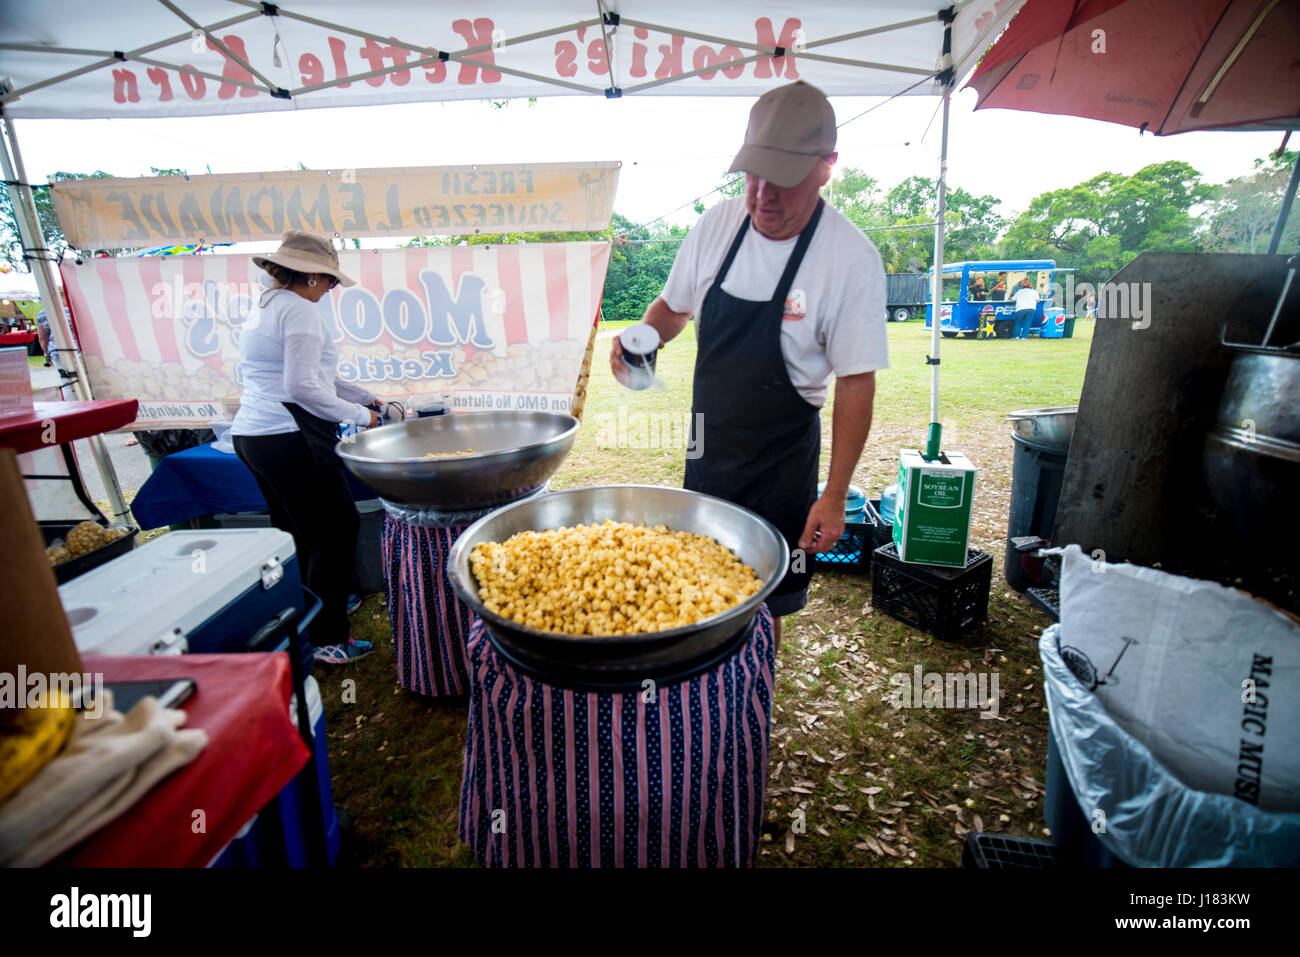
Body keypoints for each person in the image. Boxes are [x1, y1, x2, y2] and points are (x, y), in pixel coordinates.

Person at [610, 80, 887, 651]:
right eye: (751, 174)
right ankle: (705, 688)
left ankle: (752, 697)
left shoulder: (850, 260)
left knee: (766, 599)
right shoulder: (717, 225)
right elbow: (673, 308)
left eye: (781, 179)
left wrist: (834, 495)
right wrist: (641, 337)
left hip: (780, 459)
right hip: (708, 445)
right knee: (696, 579)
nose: (762, 194)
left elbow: (857, 383)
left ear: (826, 167)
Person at [231, 230, 381, 666]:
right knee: (335, 530)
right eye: (331, 281)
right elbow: (301, 387)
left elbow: (314, 378)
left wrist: (364, 396)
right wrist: (364, 417)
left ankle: (312, 610)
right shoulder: (301, 313)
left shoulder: (267, 306)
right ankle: (328, 637)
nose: (332, 289)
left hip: (255, 436)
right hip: (289, 436)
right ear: (311, 276)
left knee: (298, 533)